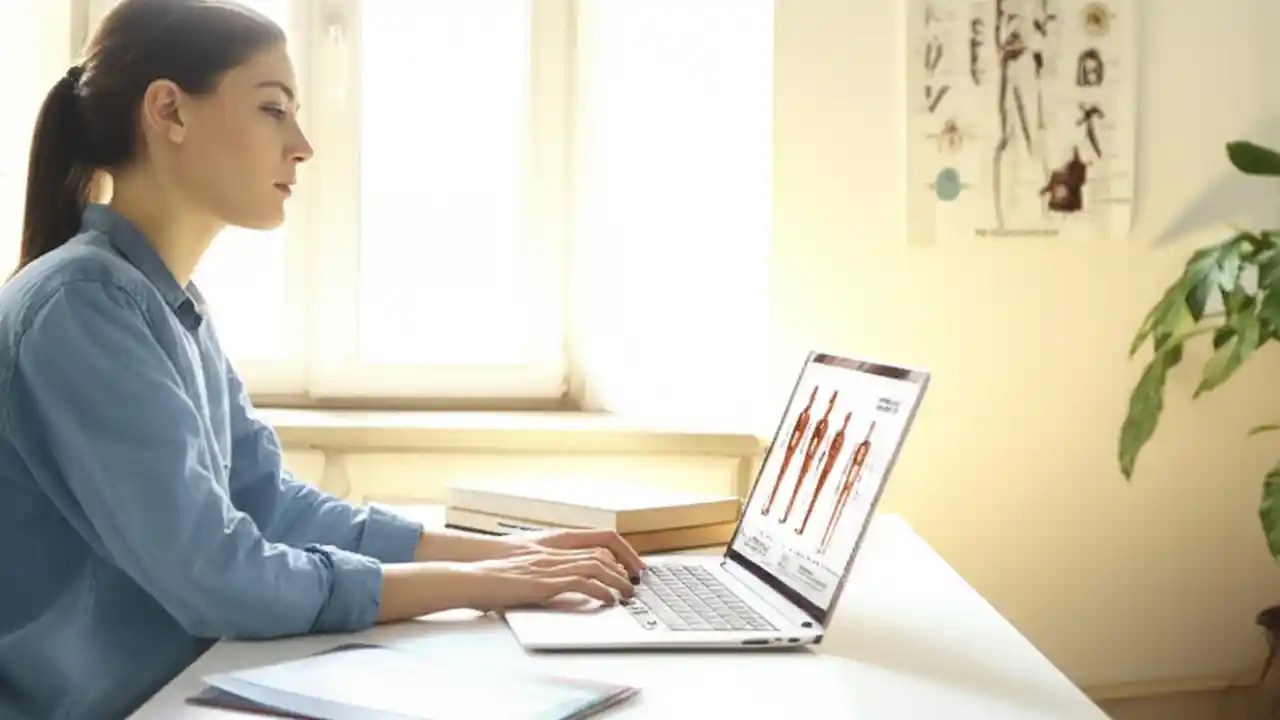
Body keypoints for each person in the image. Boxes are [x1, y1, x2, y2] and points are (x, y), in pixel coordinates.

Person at [0, 2, 643, 718]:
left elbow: (267, 502)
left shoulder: (165, 304)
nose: (301, 144)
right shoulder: (83, 307)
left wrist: (494, 555)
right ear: (169, 111)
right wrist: (489, 584)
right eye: (273, 109)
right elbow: (218, 578)